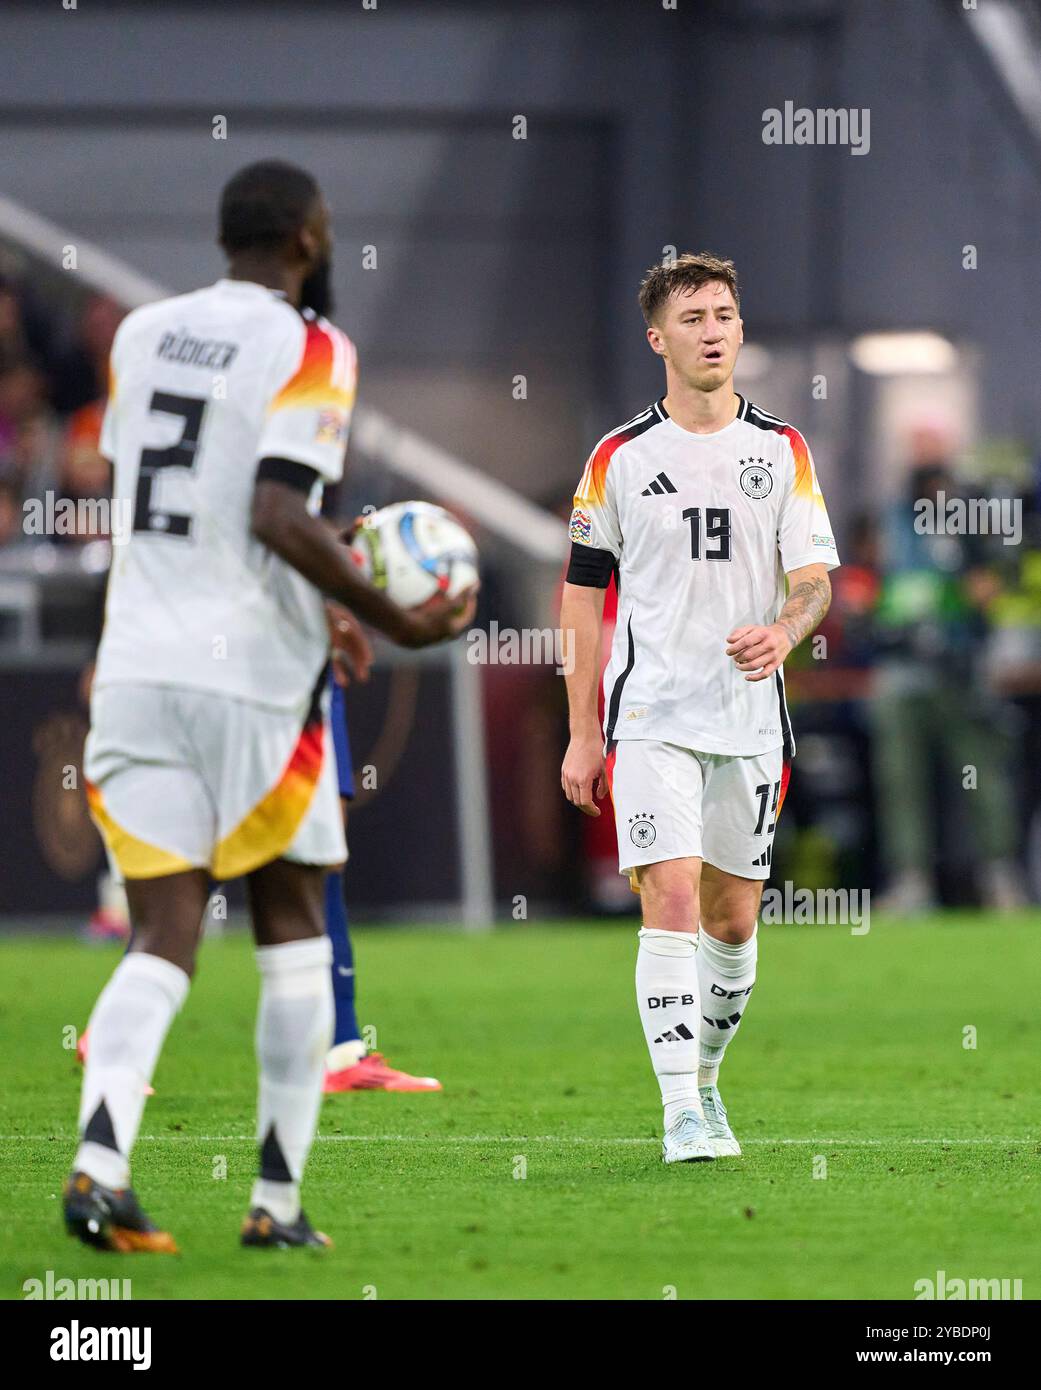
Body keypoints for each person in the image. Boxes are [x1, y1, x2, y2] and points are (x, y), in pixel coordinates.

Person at [65, 160, 474, 1253]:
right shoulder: (313, 347)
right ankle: (278, 1204)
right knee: (291, 929)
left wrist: (319, 596)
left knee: (160, 934)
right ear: (305, 238)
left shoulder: (143, 333)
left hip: (140, 666)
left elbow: (175, 508)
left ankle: (101, 1169)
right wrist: (383, 609)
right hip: (248, 680)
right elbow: (275, 511)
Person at [560, 252, 838, 1163]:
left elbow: (812, 583)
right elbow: (579, 594)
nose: (713, 329)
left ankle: (707, 1080)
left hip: (750, 719)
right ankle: (680, 1110)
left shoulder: (781, 451)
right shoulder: (617, 459)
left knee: (731, 921)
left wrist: (785, 632)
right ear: (658, 338)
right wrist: (580, 733)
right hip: (650, 717)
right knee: (669, 898)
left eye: (724, 314)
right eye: (693, 318)